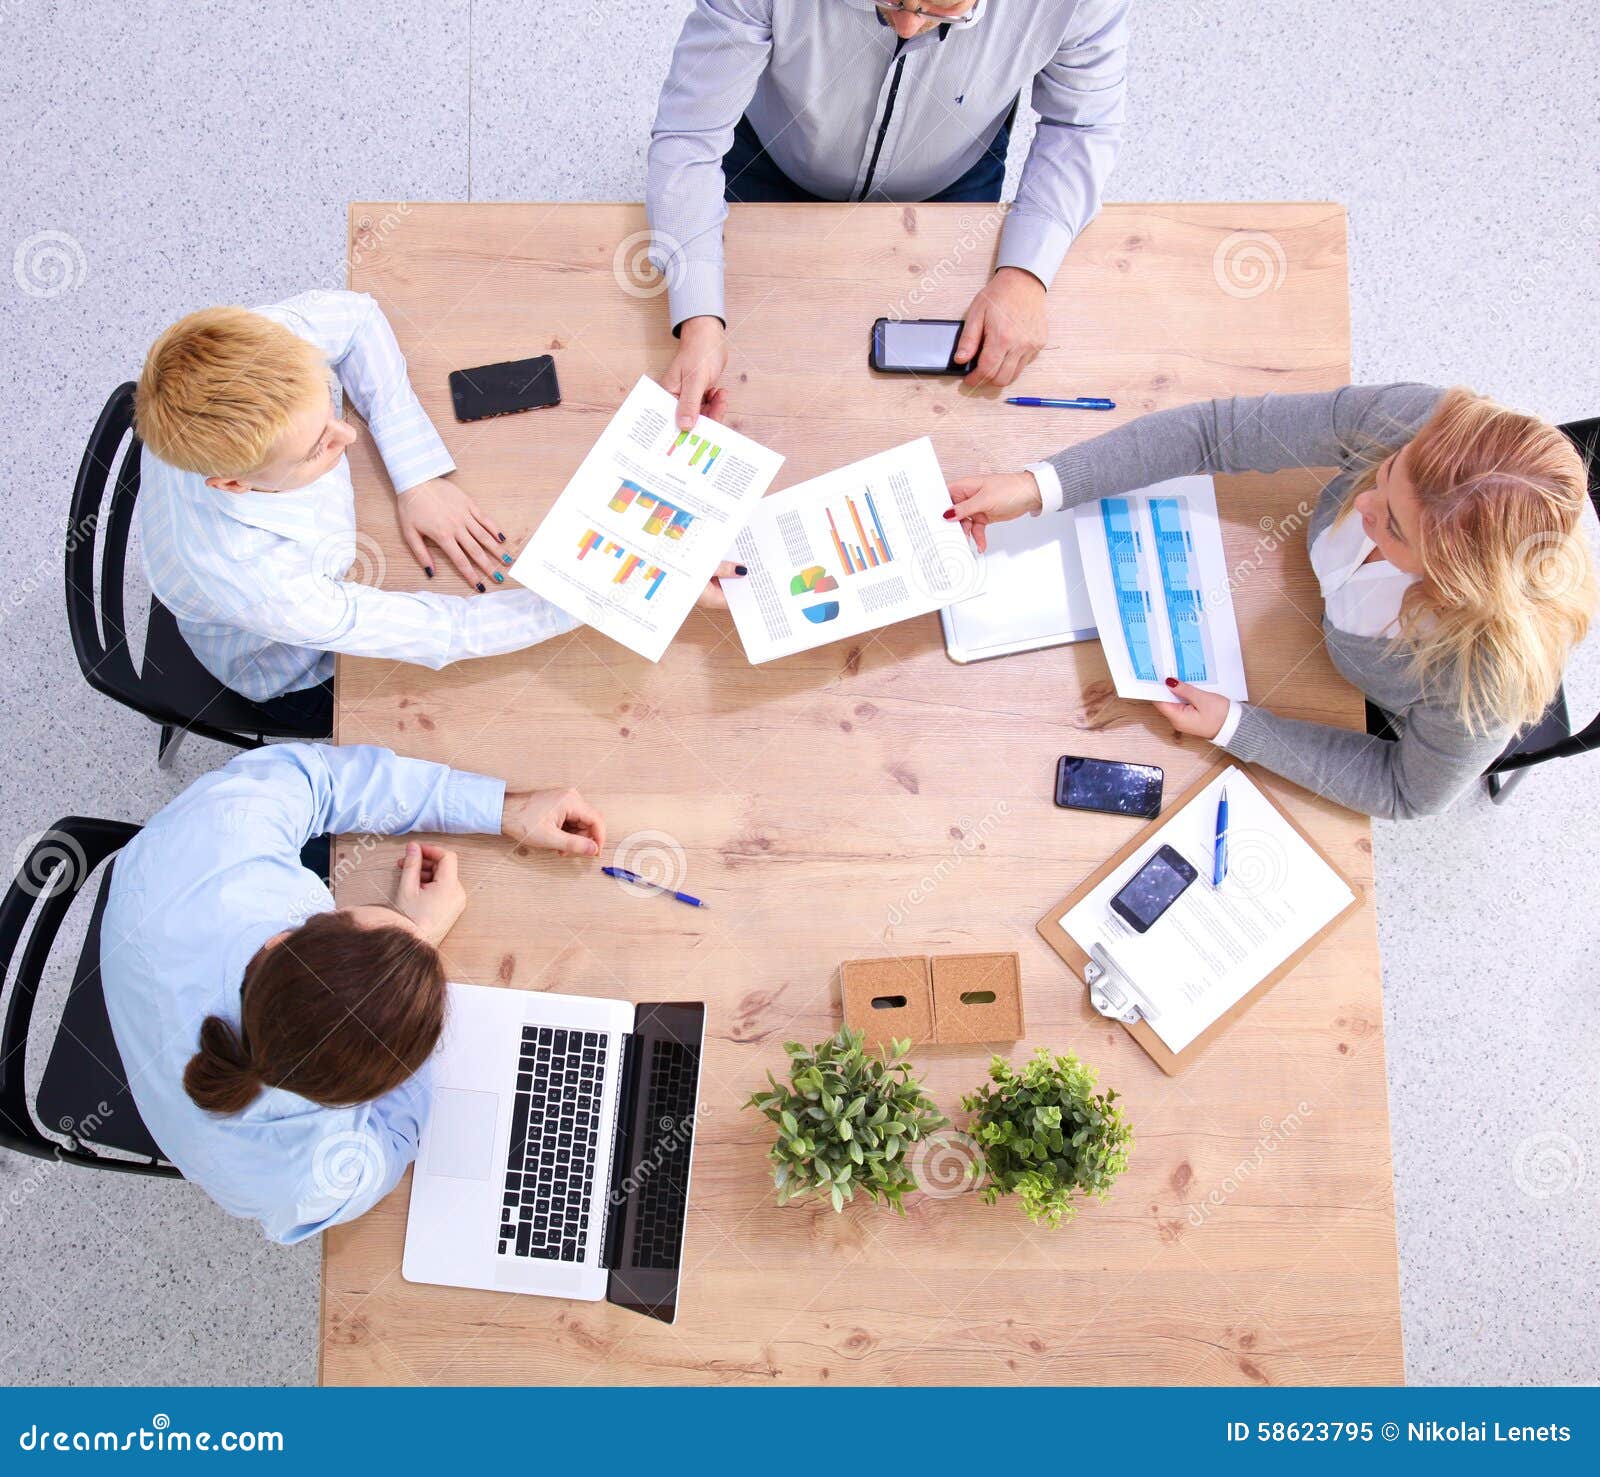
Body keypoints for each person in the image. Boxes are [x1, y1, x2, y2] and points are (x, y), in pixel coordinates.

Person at [946, 384, 1595, 819]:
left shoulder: (1482, 685)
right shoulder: (1417, 422)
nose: (1363, 502)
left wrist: (1240, 728)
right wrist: (1041, 485)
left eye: (1393, 526)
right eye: (1389, 470)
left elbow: (1407, 791)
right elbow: (1214, 432)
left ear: (1452, 581)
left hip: (1344, 695)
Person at [134, 290, 742, 723]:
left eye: (328, 406)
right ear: (233, 484)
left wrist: (416, 474)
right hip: (298, 664)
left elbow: (357, 320)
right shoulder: (259, 581)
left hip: (338, 565)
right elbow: (448, 631)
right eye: (318, 447)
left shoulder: (258, 351)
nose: (348, 436)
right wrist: (629, 582)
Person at [99, 742, 609, 1242]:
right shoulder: (309, 1183)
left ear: (291, 937)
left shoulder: (223, 836)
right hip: (143, 1013)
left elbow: (320, 776)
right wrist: (411, 947)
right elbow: (395, 1136)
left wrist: (502, 809)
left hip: (144, 939)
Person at [646, 0, 1129, 427]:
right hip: (772, 158)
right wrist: (699, 317)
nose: (906, 26)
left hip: (951, 179)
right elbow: (690, 136)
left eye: (942, 8)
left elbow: (1081, 126)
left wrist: (1026, 273)